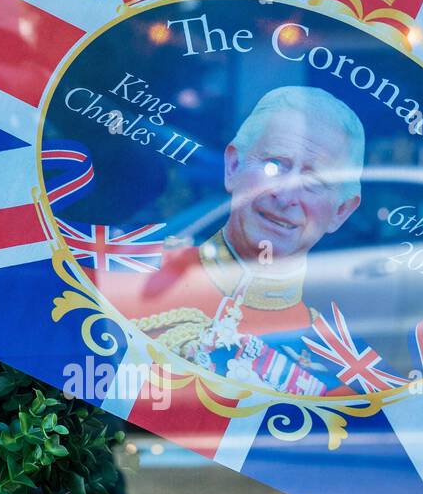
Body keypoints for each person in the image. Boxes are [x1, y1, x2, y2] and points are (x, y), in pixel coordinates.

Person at [89, 85, 365, 394]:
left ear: (341, 211)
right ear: (233, 166)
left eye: (314, 182)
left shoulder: (342, 372)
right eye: (275, 165)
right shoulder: (119, 272)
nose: (285, 195)